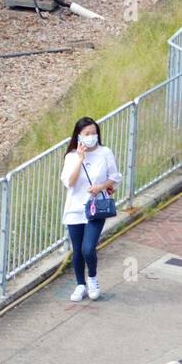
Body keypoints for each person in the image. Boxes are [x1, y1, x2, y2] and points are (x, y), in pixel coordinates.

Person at [60, 116, 122, 302]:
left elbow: (115, 177)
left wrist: (101, 187)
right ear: (79, 136)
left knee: (88, 248)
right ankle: (80, 285)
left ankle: (92, 279)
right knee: (77, 250)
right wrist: (80, 159)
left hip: (96, 208)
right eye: (87, 134)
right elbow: (69, 182)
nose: (91, 137)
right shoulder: (71, 157)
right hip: (75, 209)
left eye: (94, 133)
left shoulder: (105, 153)